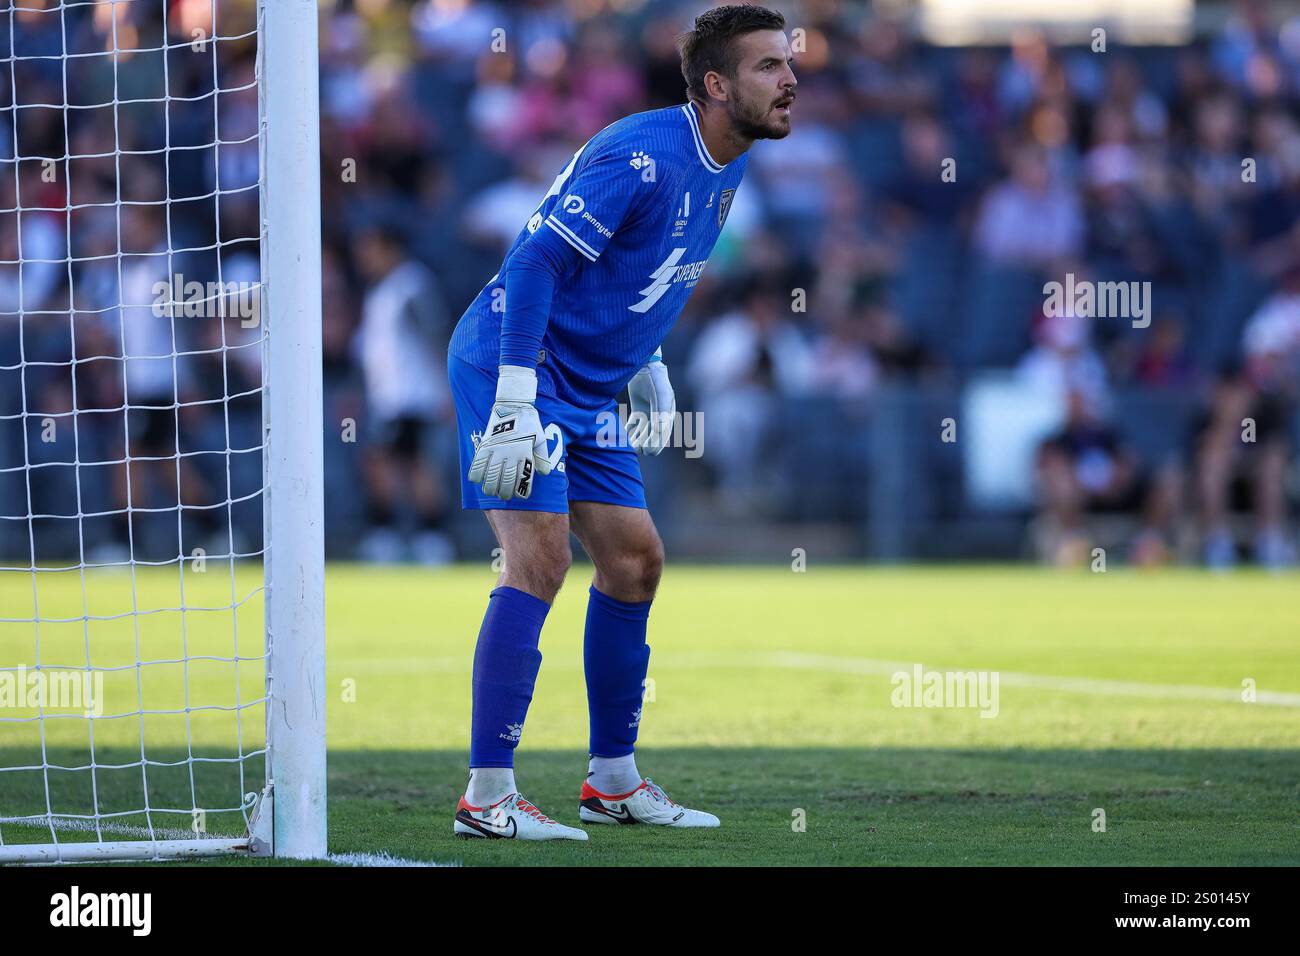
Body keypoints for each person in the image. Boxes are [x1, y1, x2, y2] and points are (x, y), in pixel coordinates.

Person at [445, 4, 796, 840]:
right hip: (511, 362)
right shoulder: (641, 154)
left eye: (788, 64)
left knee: (635, 562)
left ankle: (611, 781)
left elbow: (648, 270)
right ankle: (486, 795)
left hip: (592, 382)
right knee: (535, 559)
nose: (790, 81)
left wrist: (650, 362)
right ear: (717, 85)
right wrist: (517, 397)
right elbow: (533, 261)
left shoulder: (730, 159)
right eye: (768, 67)